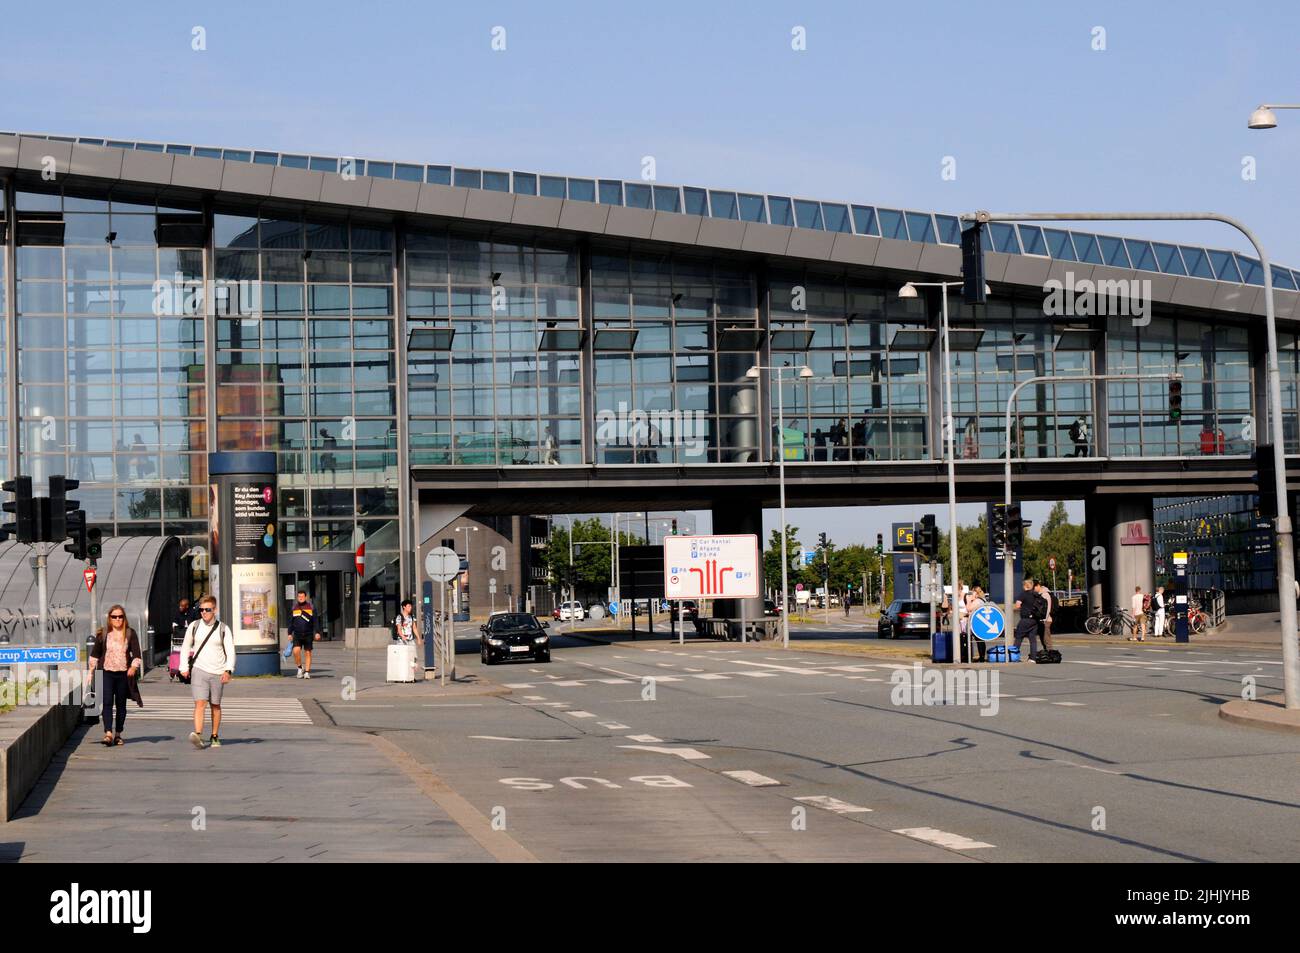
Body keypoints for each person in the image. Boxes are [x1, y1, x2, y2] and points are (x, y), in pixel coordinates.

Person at [180, 594, 236, 749]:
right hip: (199, 669)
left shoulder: (223, 629)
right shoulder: (194, 626)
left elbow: (230, 651)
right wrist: (183, 667)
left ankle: (214, 735)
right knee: (200, 703)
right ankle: (198, 735)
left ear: (215, 610)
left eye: (207, 609)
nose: (204, 612)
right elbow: (185, 647)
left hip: (218, 671)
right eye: (201, 610)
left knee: (215, 705)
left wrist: (228, 670)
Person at [88, 605, 143, 746]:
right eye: (114, 617)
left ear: (124, 618)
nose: (117, 619)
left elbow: (137, 654)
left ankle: (118, 734)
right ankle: (108, 733)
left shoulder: (130, 633)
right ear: (110, 618)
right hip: (107, 672)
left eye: (120, 616)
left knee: (121, 705)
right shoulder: (104, 634)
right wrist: (90, 672)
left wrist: (133, 667)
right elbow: (95, 654)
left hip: (123, 674)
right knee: (106, 702)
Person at [287, 590, 317, 679]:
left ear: (306, 597)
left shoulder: (311, 607)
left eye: (302, 596)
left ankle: (307, 672)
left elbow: (315, 621)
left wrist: (317, 632)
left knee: (308, 652)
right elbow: (290, 622)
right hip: (297, 634)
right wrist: (289, 633)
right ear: (297, 598)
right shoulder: (294, 608)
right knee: (295, 651)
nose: (300, 598)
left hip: (308, 634)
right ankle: (300, 668)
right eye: (299, 596)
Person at [1013, 577, 1045, 659]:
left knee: (1018, 637)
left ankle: (1013, 656)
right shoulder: (1036, 594)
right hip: (1035, 619)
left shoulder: (1023, 594)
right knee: (1032, 640)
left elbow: (1017, 605)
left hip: (1025, 619)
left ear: (1025, 586)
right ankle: (1033, 658)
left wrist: (1023, 607)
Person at [964, 586, 987, 662]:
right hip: (981, 622)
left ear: (975, 593)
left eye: (972, 592)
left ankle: (980, 657)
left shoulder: (977, 601)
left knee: (978, 640)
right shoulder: (983, 599)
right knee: (981, 640)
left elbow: (968, 608)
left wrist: (968, 600)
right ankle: (982, 656)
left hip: (976, 622)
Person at [1036, 580, 1054, 652]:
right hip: (1043, 619)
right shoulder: (1040, 594)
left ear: (1038, 586)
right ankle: (1047, 651)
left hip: (1046, 620)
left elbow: (1047, 608)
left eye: (1034, 587)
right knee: (1043, 637)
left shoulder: (1045, 594)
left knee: (1046, 637)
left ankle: (1050, 652)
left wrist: (1044, 619)